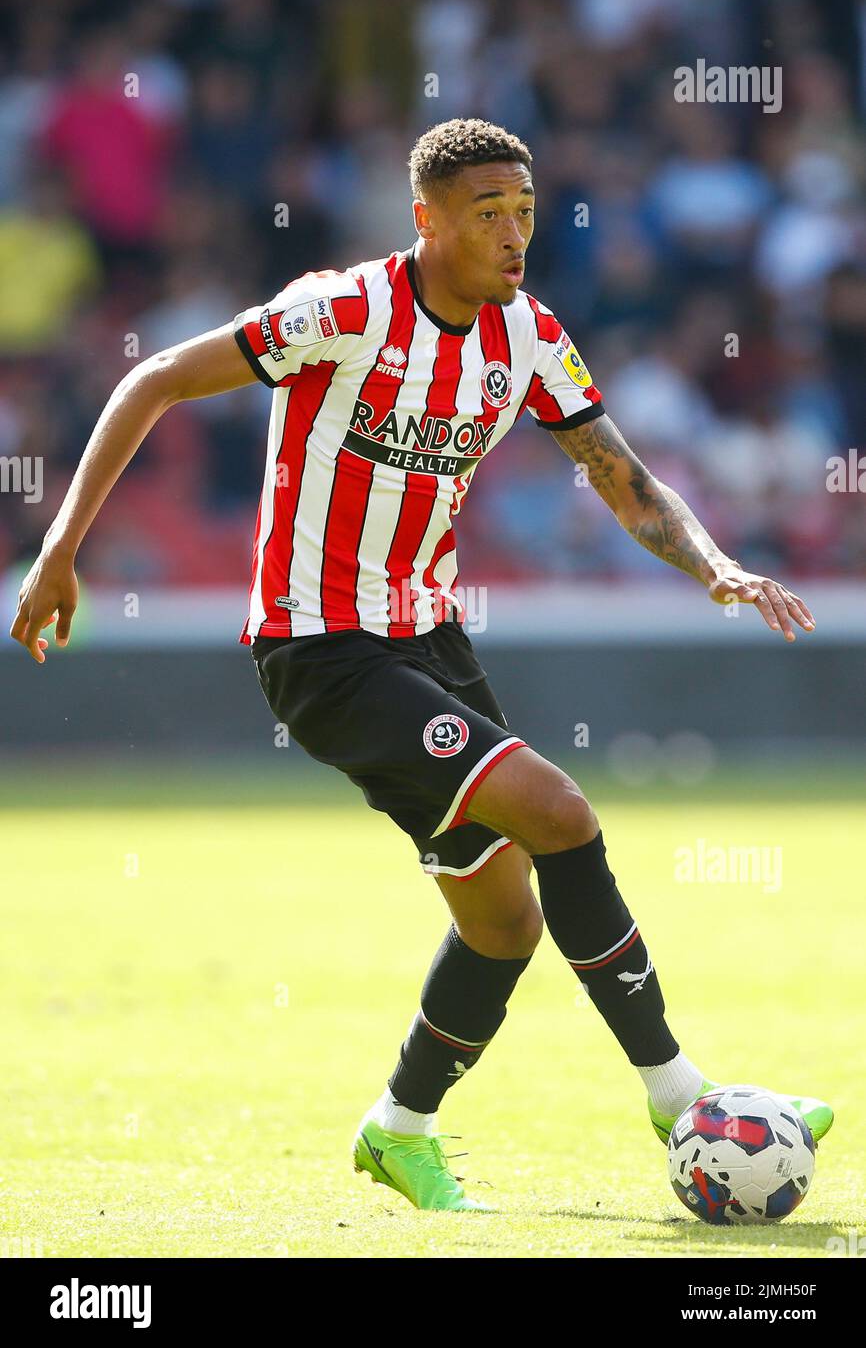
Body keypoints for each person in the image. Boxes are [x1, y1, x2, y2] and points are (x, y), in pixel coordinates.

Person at [10, 118, 832, 1213]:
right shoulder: (346, 312)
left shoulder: (529, 335)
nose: (512, 235)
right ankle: (681, 1096)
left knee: (503, 924)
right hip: (320, 649)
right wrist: (59, 553)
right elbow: (154, 378)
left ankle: (398, 1129)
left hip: (428, 640)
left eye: (525, 214)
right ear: (427, 221)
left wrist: (716, 566)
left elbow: (622, 476)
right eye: (487, 214)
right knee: (561, 810)